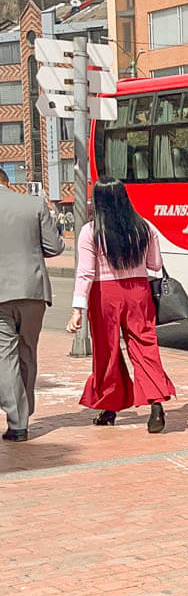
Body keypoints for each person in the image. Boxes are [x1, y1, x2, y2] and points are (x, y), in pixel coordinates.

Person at [66, 178, 176, 432]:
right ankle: (156, 402)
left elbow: (85, 273)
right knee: (145, 346)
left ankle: (110, 407)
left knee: (108, 351)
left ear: (99, 201)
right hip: (138, 291)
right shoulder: (144, 228)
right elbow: (155, 265)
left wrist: (77, 309)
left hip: (104, 294)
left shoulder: (90, 231)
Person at [0, 175, 65, 441]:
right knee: (28, 350)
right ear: (7, 182)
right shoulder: (34, 204)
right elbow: (55, 246)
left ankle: (18, 422)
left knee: (5, 356)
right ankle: (24, 413)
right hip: (33, 291)